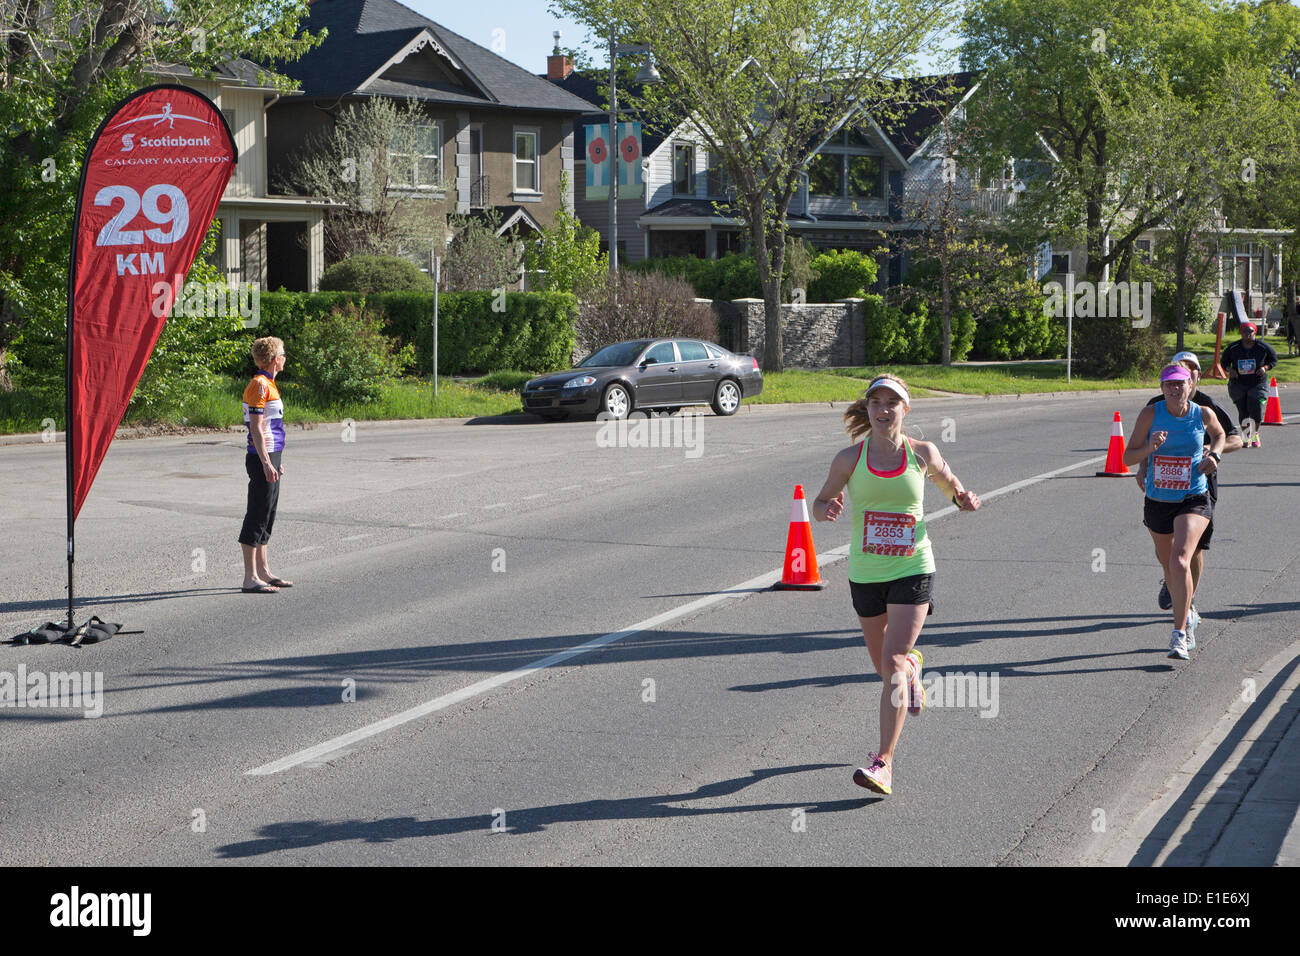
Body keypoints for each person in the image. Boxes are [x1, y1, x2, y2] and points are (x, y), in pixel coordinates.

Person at [812, 374, 980, 795]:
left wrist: (962, 498)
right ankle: (912, 669)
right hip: (866, 574)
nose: (883, 409)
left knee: (891, 666)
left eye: (893, 403)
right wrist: (825, 508)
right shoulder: (849, 458)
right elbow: (819, 502)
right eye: (876, 402)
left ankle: (883, 762)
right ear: (867, 409)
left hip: (913, 568)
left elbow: (950, 484)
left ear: (906, 410)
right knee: (886, 670)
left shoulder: (921, 453)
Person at [1136, 352, 1243, 634]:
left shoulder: (1207, 406)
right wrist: (1142, 465)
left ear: (1196, 376)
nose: (1187, 375)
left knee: (1190, 549)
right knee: (1169, 553)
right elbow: (1144, 440)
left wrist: (1215, 452)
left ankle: (1188, 601)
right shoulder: (1156, 405)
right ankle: (1172, 581)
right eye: (1181, 369)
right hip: (1161, 489)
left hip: (1201, 483)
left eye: (1193, 370)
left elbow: (1234, 438)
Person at [1124, 365, 1226, 660]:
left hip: (1193, 496)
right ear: (1162, 387)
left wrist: (1215, 454)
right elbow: (1126, 456)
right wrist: (1149, 448)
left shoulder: (1202, 413)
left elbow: (1219, 434)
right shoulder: (1150, 414)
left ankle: (1179, 634)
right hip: (1158, 500)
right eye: (1168, 384)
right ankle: (1189, 612)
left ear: (1190, 385)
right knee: (1169, 566)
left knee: (1181, 559)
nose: (1174, 389)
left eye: (1179, 384)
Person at [239, 336, 292, 594]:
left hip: (272, 455)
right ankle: (250, 577)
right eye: (282, 354)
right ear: (274, 359)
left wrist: (275, 461)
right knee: (257, 513)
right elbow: (257, 428)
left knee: (268, 513)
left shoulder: (269, 384)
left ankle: (264, 571)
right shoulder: (260, 385)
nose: (285, 357)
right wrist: (266, 462)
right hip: (261, 456)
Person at [1222, 322, 1277, 447]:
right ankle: (1247, 436)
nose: (1248, 334)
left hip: (1257, 383)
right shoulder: (1233, 348)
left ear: (1255, 333)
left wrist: (1265, 367)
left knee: (1256, 408)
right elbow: (1224, 361)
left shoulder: (1263, 347)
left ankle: (1254, 433)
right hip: (1238, 384)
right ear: (1241, 333)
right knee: (1243, 411)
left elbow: (1274, 359)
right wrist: (1230, 370)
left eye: (1250, 332)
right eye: (1245, 332)